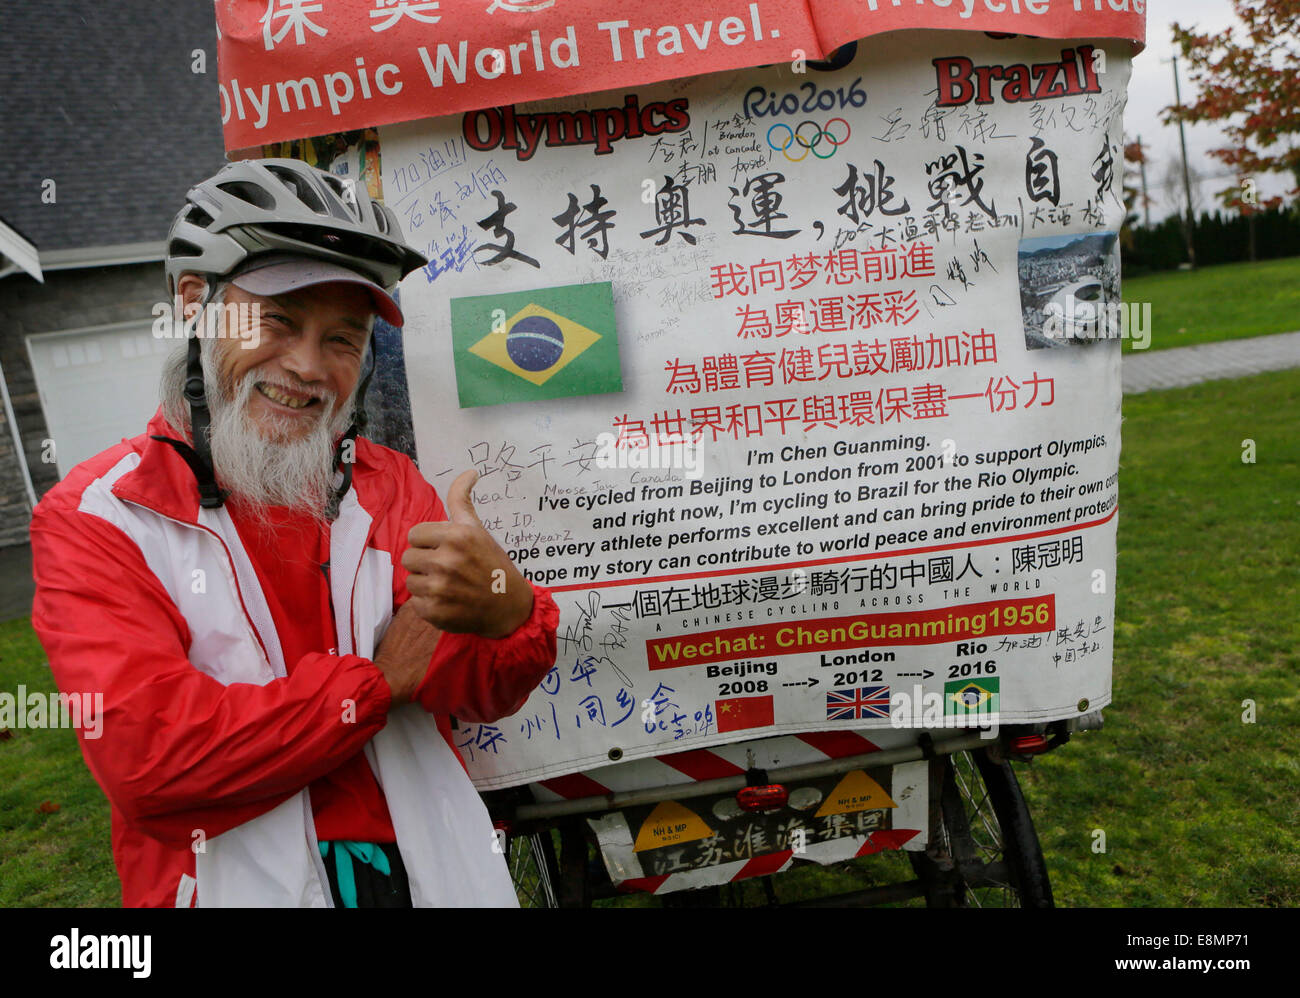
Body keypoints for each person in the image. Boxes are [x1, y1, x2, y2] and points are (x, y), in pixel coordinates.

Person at [29, 159, 560, 908]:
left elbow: (476, 688)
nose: (308, 366)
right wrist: (377, 684)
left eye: (343, 339)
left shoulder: (389, 485)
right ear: (193, 303)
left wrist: (510, 611)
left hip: (436, 881)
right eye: (276, 321)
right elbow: (152, 762)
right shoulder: (97, 519)